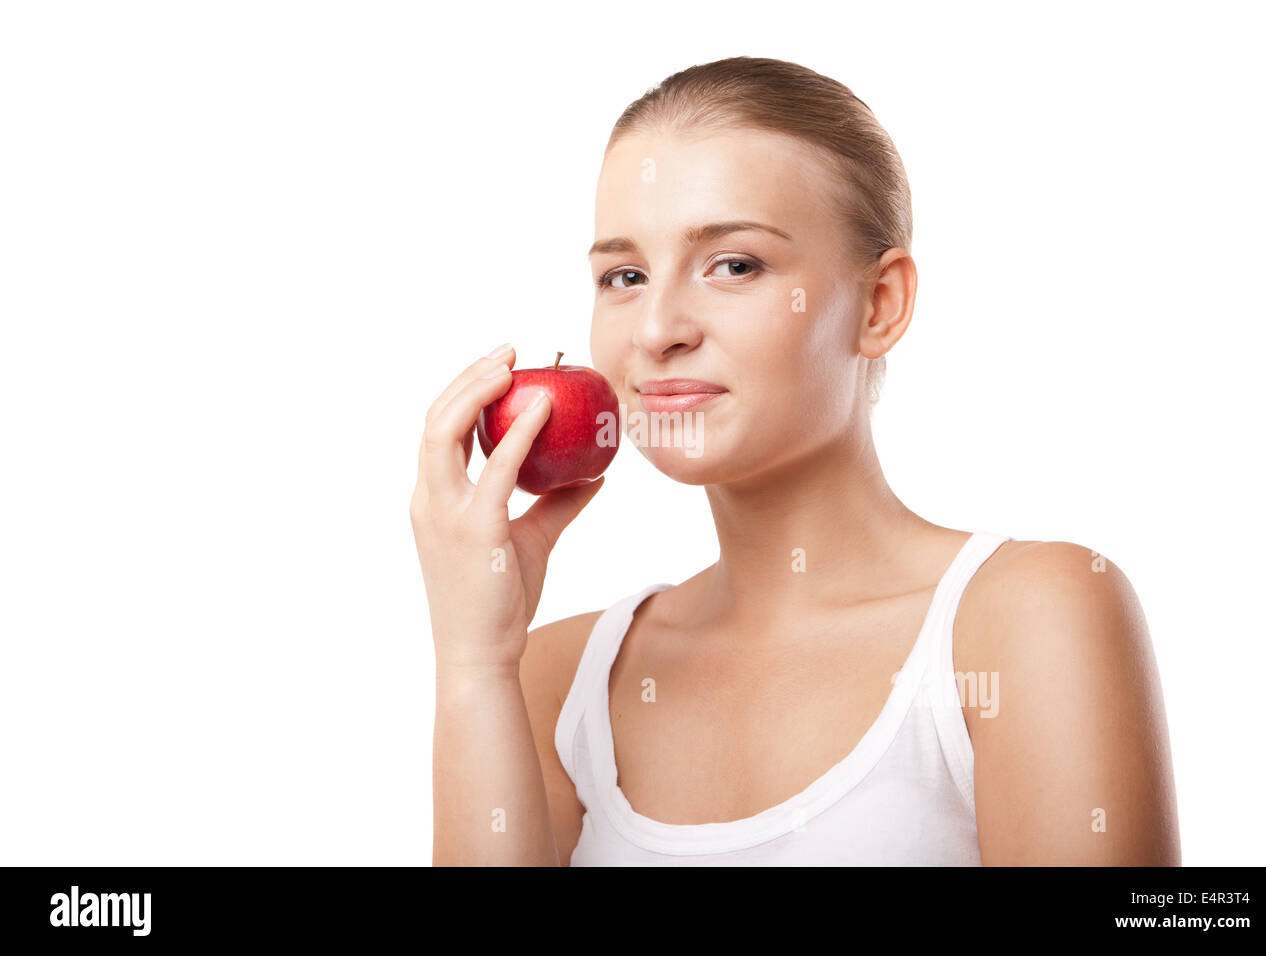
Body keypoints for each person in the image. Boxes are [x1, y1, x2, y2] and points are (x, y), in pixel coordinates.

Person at [411, 56, 1180, 866]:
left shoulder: (1026, 616)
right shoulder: (552, 679)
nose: (656, 328)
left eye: (734, 265)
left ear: (880, 306)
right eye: (624, 276)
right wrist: (472, 659)